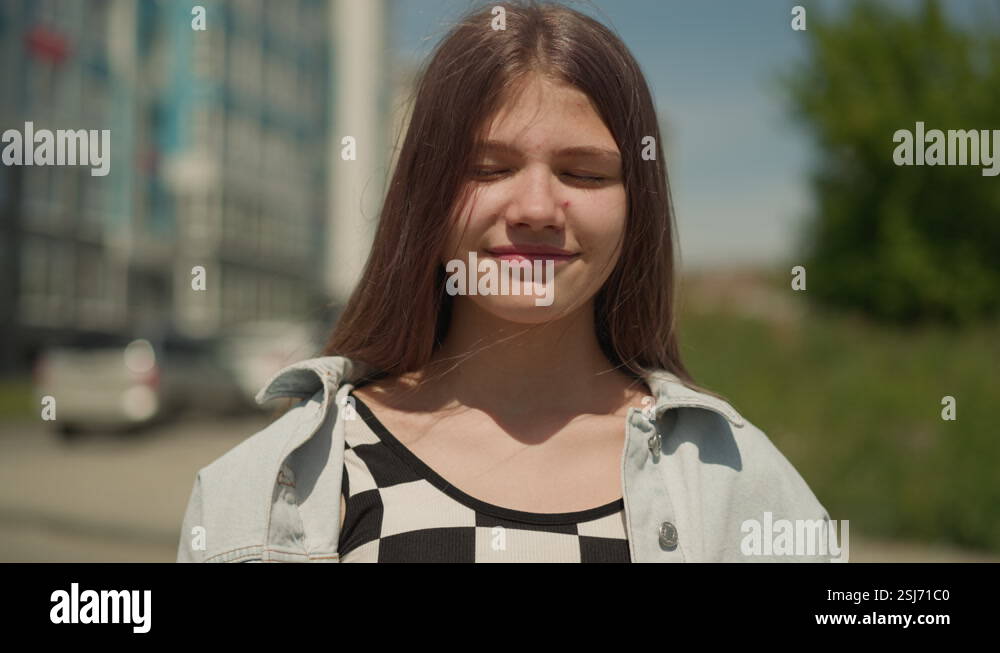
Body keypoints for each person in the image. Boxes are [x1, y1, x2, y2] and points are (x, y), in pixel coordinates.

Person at [177, 1, 837, 563]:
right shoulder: (277, 484)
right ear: (424, 200)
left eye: (584, 174)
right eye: (489, 169)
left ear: (639, 209)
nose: (537, 209)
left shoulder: (733, 477)